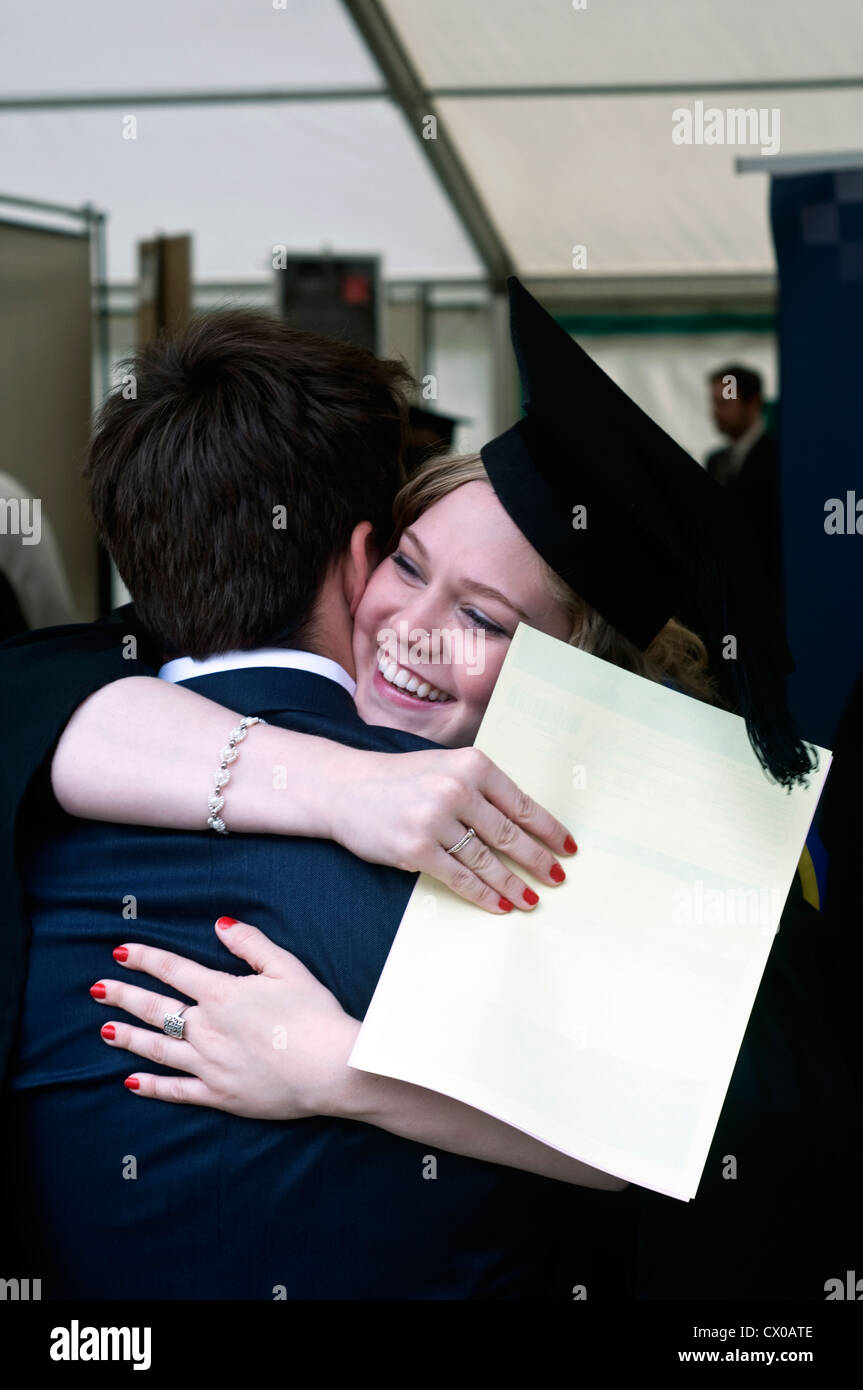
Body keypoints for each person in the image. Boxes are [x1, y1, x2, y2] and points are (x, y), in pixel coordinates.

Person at [4, 280, 849, 1301]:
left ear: (572, 672)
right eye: (406, 564)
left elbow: (724, 1144)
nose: (410, 628)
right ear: (362, 552)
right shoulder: (97, 703)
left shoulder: (638, 884)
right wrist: (336, 784)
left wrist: (345, 1072)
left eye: (485, 621)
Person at [705, 363, 783, 621]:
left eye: (724, 403)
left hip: (767, 593)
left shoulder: (777, 459)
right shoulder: (716, 461)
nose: (716, 412)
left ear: (753, 404)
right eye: (714, 402)